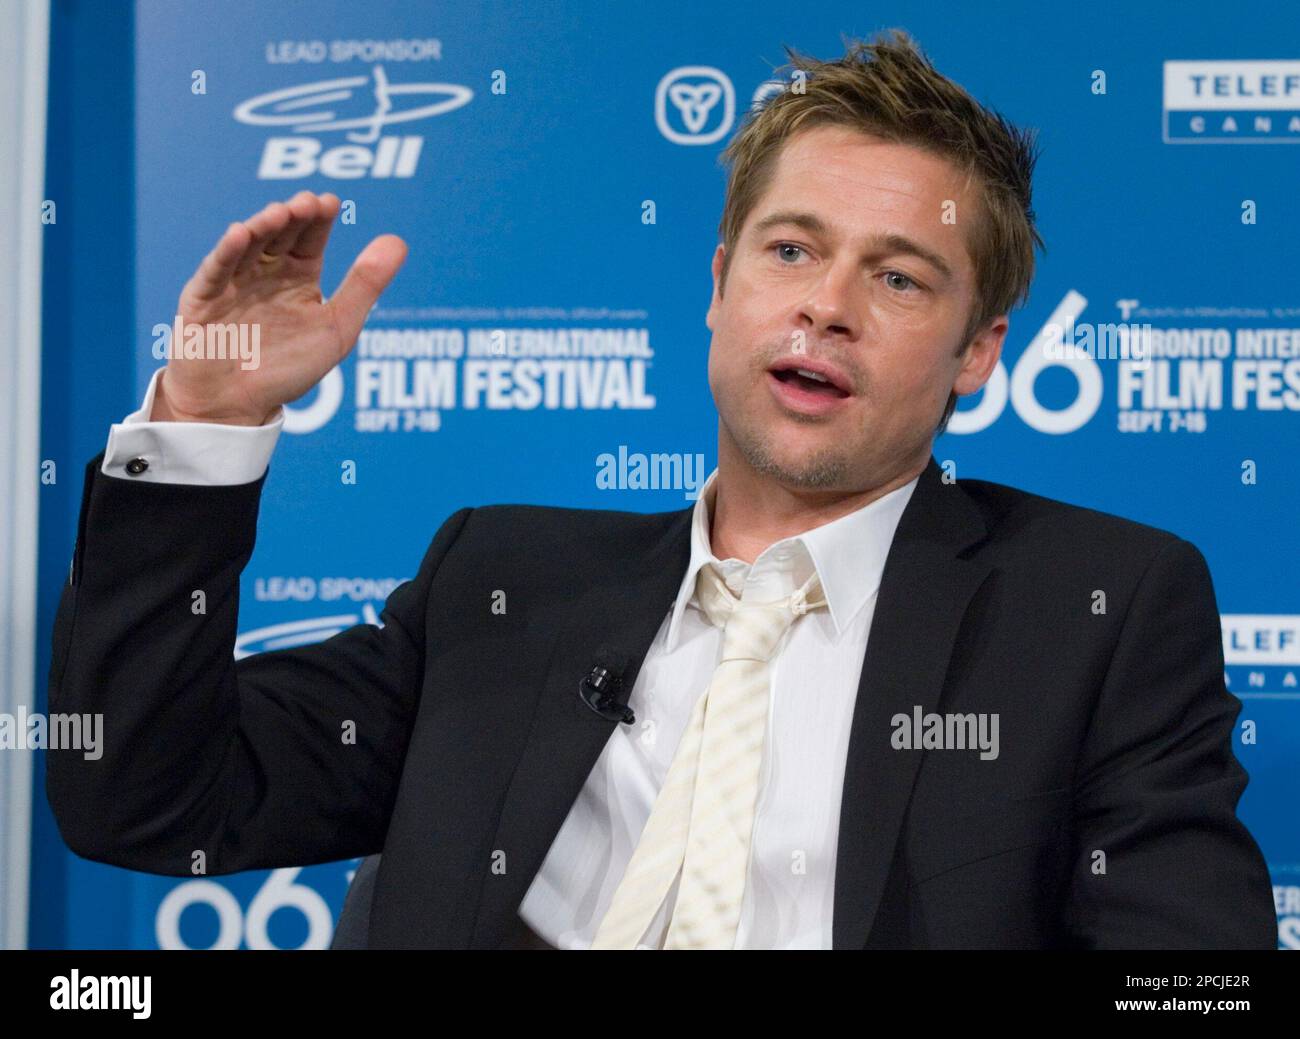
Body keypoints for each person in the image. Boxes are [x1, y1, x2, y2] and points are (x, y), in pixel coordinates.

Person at [46, 29, 1276, 949]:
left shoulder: (1095, 607)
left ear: (977, 353)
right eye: (790, 249)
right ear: (719, 283)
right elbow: (146, 801)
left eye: (898, 279)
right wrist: (205, 425)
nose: (826, 306)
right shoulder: (502, 582)